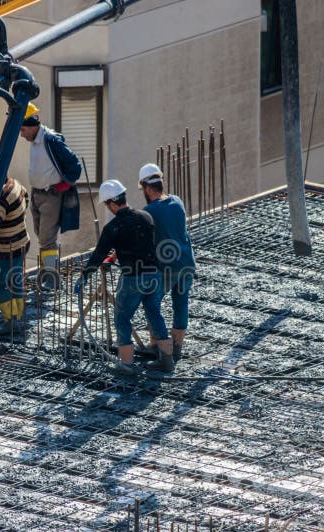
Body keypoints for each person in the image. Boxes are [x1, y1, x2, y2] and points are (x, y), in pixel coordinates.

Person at [76, 180, 173, 374]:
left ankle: (126, 364)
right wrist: (116, 255)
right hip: (155, 275)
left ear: (111, 203)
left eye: (106, 205)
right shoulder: (146, 217)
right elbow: (140, 243)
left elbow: (98, 255)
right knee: (154, 313)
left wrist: (85, 276)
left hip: (133, 278)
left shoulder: (113, 227)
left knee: (122, 318)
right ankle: (167, 361)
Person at [20, 102, 82, 290]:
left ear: (32, 126)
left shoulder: (51, 140)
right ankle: (48, 272)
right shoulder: (36, 140)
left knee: (47, 238)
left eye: (23, 130)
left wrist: (63, 185)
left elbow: (75, 166)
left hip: (50, 195)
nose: (21, 135)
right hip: (38, 194)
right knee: (43, 236)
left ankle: (51, 279)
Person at [138, 163, 196, 362]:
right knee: (181, 301)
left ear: (147, 188)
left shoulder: (149, 211)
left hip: (168, 267)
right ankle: (177, 347)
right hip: (187, 261)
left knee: (150, 301)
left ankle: (158, 346)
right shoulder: (177, 201)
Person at [0, 157, 30, 336]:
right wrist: (17, 220)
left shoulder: (1, 197)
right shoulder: (15, 184)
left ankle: (10, 321)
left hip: (7, 248)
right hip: (22, 242)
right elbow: (27, 197)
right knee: (15, 282)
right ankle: (17, 317)